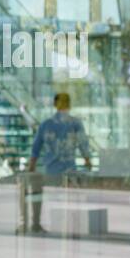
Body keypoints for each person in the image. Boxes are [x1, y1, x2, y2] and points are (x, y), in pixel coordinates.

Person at [25, 92, 93, 233]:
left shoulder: (46, 124)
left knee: (37, 192)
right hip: (69, 171)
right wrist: (88, 161)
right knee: (72, 196)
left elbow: (36, 147)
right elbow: (83, 144)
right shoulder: (75, 123)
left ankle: (35, 222)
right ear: (69, 104)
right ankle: (72, 224)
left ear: (55, 104)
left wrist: (31, 166)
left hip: (50, 171)